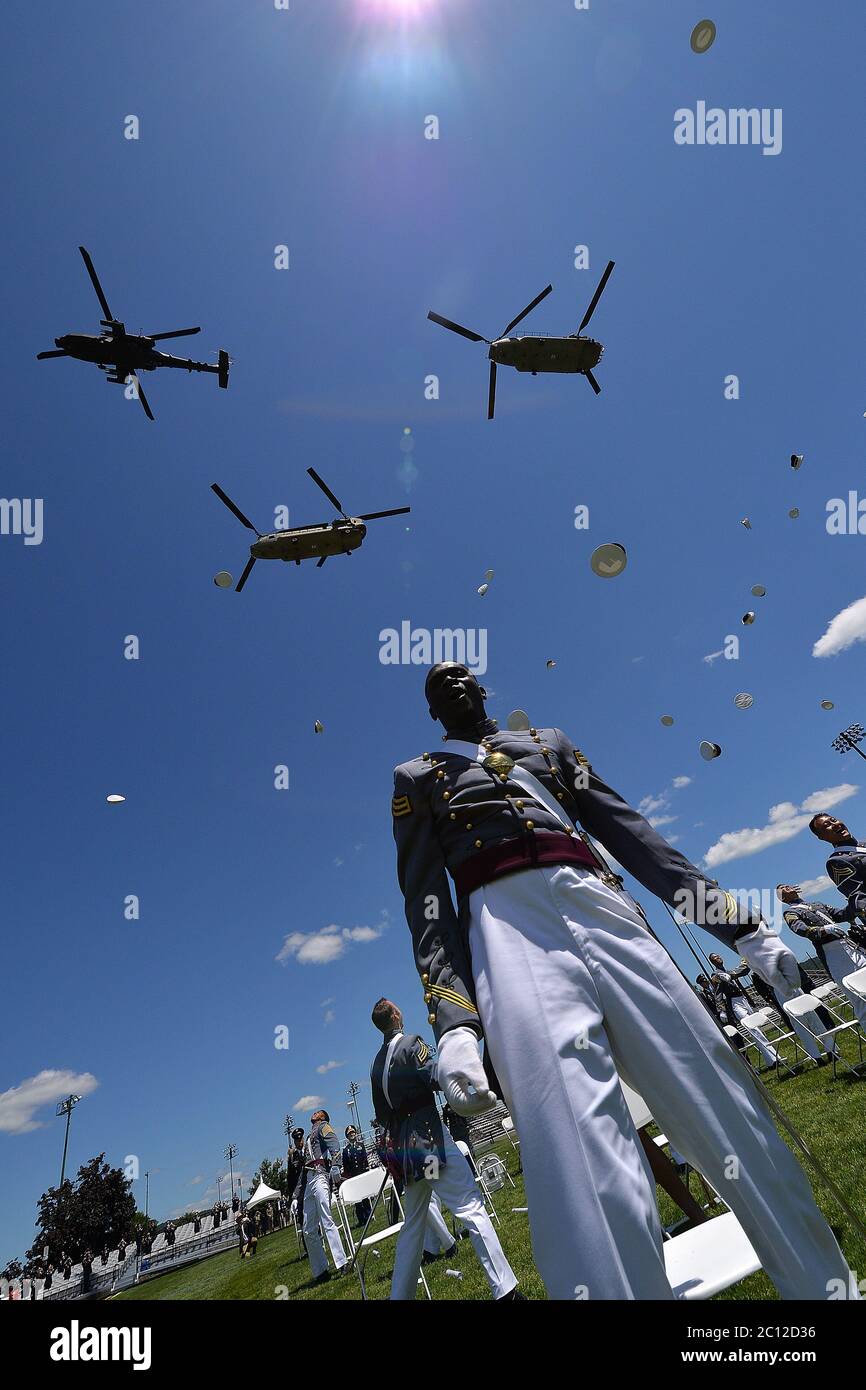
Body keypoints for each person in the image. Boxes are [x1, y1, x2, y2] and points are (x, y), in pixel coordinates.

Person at [390, 661, 859, 1299]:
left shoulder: (550, 746)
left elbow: (638, 840)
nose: (450, 686)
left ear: (482, 688)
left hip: (601, 903)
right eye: (435, 686)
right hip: (504, 926)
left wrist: (739, 926)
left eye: (460, 676)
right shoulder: (416, 778)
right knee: (576, 1146)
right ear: (430, 713)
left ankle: (821, 1292)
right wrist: (455, 1023)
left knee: (719, 1101)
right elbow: (428, 908)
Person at [370, 997, 521, 1301]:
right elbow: (435, 1075)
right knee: (469, 1205)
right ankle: (504, 1290)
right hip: (428, 1140)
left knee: (412, 1226)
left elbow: (382, 1115)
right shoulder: (412, 1044)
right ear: (397, 1015)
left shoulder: (375, 1065)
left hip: (406, 1151)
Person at [778, 885, 866, 1031]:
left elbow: (842, 915)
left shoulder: (817, 904)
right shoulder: (790, 912)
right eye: (783, 889)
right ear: (781, 897)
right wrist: (823, 930)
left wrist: (853, 903)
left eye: (787, 885)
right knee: (858, 999)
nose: (787, 887)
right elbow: (800, 929)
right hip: (832, 952)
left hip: (849, 945)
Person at [706, 951, 779, 1067]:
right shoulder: (716, 975)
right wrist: (721, 1010)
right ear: (712, 962)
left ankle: (770, 1060)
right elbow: (718, 994)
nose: (718, 958)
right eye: (715, 958)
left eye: (718, 956)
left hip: (743, 999)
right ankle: (774, 1058)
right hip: (734, 1002)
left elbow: (744, 970)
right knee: (753, 1029)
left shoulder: (729, 971)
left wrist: (746, 961)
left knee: (756, 1028)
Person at [301, 1110, 348, 1284]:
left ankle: (342, 1262)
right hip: (309, 1179)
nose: (314, 1112)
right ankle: (320, 1270)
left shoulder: (323, 1126)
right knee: (308, 1229)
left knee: (326, 1220)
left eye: (318, 1112)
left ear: (323, 1117)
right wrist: (295, 1196)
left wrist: (336, 1165)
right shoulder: (309, 1136)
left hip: (320, 1175)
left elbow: (334, 1144)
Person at [341, 1126, 372, 1227]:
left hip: (362, 1174)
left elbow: (365, 1161)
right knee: (357, 1200)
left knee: (365, 1197)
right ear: (347, 1136)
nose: (352, 1134)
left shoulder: (361, 1145)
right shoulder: (346, 1150)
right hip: (353, 1177)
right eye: (350, 1133)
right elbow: (346, 1167)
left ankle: (369, 1215)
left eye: (353, 1132)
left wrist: (366, 1173)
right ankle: (361, 1219)